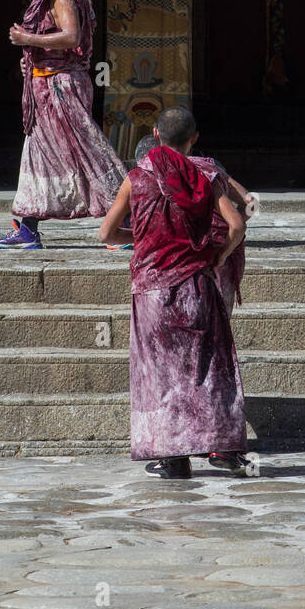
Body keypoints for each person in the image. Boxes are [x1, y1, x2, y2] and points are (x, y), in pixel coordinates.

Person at [99, 106, 248, 479]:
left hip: (151, 291)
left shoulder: (136, 179)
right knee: (210, 368)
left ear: (155, 134)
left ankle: (173, 458)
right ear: (194, 138)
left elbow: (105, 234)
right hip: (196, 283)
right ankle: (224, 450)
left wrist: (144, 238)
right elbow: (237, 225)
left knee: (161, 374)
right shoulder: (207, 176)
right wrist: (218, 256)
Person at [0, 0, 127, 250]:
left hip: (62, 88)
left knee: (88, 150)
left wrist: (27, 38)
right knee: (36, 156)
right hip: (45, 88)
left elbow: (71, 36)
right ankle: (27, 228)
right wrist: (33, 57)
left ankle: (125, 219)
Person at [133, 132, 252, 317]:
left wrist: (224, 231)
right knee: (216, 317)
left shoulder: (202, 170)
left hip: (197, 253)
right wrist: (227, 235)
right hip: (220, 247)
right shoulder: (205, 167)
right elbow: (251, 203)